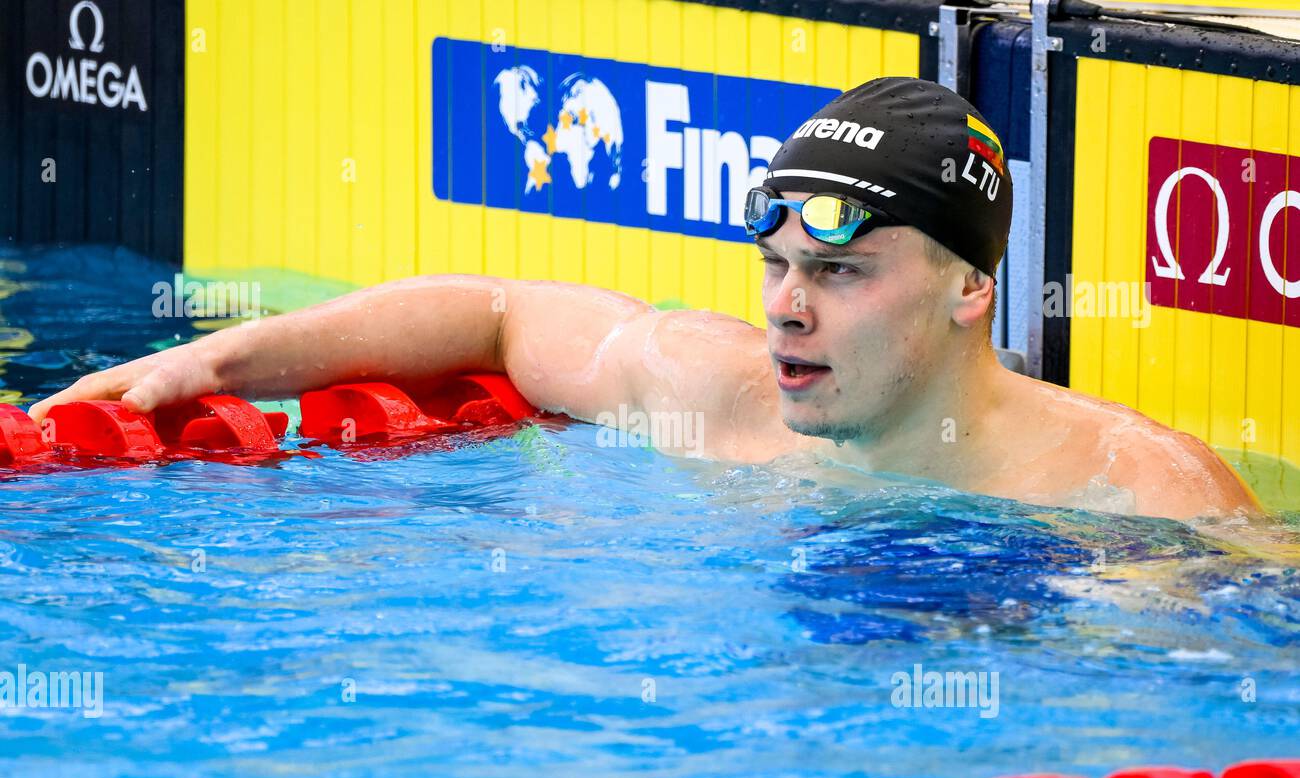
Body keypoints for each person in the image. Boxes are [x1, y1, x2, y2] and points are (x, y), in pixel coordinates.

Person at [28, 77, 1260, 523]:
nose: (786, 308)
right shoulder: (718, 397)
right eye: (776, 264)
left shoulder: (1132, 492)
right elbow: (503, 306)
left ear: (968, 291)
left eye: (837, 271)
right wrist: (215, 368)